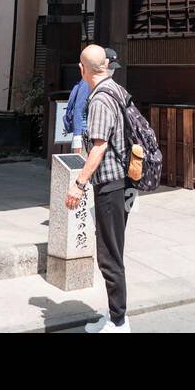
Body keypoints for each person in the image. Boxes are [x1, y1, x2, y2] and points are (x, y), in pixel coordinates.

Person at [64, 44, 131, 334]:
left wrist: (79, 184)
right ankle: (114, 314)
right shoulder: (117, 90)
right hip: (123, 183)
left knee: (109, 254)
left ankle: (119, 321)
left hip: (111, 185)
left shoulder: (101, 99)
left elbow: (99, 146)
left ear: (83, 69)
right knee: (112, 249)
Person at [63, 75, 90, 153]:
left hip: (85, 134)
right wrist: (77, 138)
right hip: (84, 134)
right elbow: (78, 110)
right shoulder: (87, 83)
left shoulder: (87, 82)